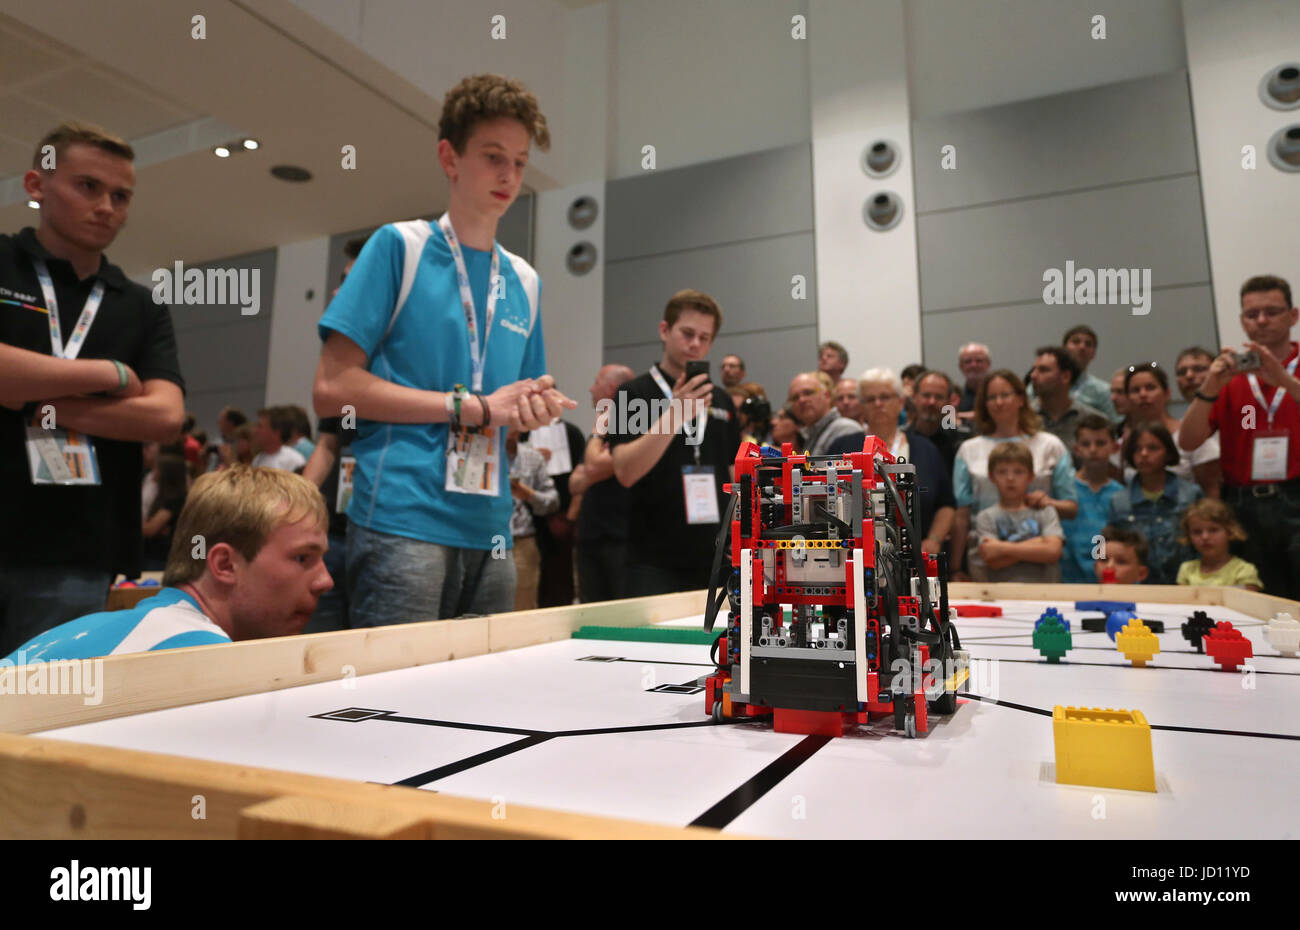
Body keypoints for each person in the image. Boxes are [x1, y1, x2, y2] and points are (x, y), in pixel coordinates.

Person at [313, 74, 574, 624]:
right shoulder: (398, 248)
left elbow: (517, 403)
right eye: (493, 157)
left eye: (520, 162)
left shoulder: (525, 280)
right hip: (401, 518)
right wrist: (471, 407)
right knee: (398, 680)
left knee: (484, 681)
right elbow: (333, 388)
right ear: (449, 157)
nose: (509, 176)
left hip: (492, 527)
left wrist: (536, 404)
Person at [0, 121, 185, 657]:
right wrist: (111, 375)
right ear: (36, 184)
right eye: (88, 186)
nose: (106, 206)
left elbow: (165, 417)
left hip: (77, 552)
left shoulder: (141, 305)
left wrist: (35, 396)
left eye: (120, 196)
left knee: (40, 703)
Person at [3, 467, 332, 663]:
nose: (325, 581)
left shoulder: (148, 629)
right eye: (303, 558)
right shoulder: (196, 651)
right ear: (224, 564)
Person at [608, 289, 741, 596]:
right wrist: (675, 414)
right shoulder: (634, 393)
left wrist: (740, 530)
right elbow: (625, 471)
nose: (695, 344)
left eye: (704, 338)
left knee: (719, 628)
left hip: (715, 554)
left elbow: (734, 474)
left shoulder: (721, 399)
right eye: (687, 333)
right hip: (652, 558)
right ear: (664, 330)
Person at [1179, 274, 1300, 600]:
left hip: (1296, 492)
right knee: (1260, 602)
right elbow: (1187, 442)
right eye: (1252, 314)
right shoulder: (1229, 377)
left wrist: (1285, 382)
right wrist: (1209, 387)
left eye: (1271, 312)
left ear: (1293, 316)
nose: (1261, 320)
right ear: (1242, 321)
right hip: (1245, 504)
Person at [300, 235, 368, 632]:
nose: (337, 292)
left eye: (350, 282)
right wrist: (297, 505)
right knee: (319, 644)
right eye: (340, 281)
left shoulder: (410, 358)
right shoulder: (342, 359)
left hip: (385, 533)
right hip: (332, 533)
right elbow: (327, 444)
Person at [951, 369, 1077, 580]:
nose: (999, 402)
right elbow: (962, 515)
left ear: (1020, 399)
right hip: (988, 558)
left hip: (1039, 561)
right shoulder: (968, 449)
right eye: (992, 397)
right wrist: (955, 568)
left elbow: (1071, 507)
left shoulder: (1050, 445)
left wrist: (1049, 503)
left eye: (1005, 395)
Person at [826, 368, 954, 553]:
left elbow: (946, 503)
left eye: (885, 397)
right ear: (861, 406)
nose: (878, 404)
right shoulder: (842, 446)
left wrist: (934, 539)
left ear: (901, 402)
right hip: (854, 554)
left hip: (916, 554)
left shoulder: (926, 448)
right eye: (870, 399)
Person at [571, 364, 635, 603]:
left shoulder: (635, 426)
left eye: (596, 382)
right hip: (590, 536)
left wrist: (597, 435)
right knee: (589, 609)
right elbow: (574, 484)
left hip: (621, 540)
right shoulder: (603, 428)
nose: (591, 388)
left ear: (611, 388)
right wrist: (595, 466)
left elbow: (591, 468)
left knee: (622, 610)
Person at [1109, 423, 1201, 585]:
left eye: (1153, 448)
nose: (1144, 454)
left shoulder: (1190, 495)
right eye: (1137, 449)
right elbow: (1110, 544)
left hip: (1185, 583)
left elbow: (1201, 544)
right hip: (1138, 586)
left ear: (1168, 453)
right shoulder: (1119, 501)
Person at [967, 442, 1065, 583]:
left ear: (1030, 476)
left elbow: (1053, 552)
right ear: (991, 477)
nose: (1010, 478)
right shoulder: (986, 516)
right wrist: (1039, 542)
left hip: (1046, 591)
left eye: (1018, 472)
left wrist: (1000, 548)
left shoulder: (1045, 510)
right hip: (1001, 591)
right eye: (1002, 472)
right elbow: (991, 558)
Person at [1122, 362, 1219, 497]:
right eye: (1135, 390)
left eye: (1150, 388)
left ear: (1167, 393)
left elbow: (1211, 490)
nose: (1143, 394)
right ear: (1127, 398)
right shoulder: (1124, 439)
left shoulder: (1192, 434)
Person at [1060, 414, 1124, 583]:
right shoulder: (1063, 490)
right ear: (1077, 449)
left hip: (1108, 580)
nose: (1093, 449)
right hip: (1066, 580)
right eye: (1086, 444)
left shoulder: (1121, 494)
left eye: (1101, 443)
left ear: (1114, 447)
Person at [507, 427, 558, 611]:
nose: (510, 429)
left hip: (523, 539)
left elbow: (553, 502)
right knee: (493, 597)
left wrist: (529, 495)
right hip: (495, 540)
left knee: (523, 603)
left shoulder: (532, 458)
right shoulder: (483, 454)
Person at [1028, 345, 1105, 461]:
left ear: (1065, 376)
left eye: (1043, 370)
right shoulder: (1022, 418)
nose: (1033, 376)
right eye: (1033, 370)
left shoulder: (1094, 421)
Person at [1176, 499, 1262, 591]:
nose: (1205, 537)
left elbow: (1247, 599)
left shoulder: (1243, 571)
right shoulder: (1187, 570)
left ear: (1230, 531)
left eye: (1213, 530)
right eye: (1197, 532)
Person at [910, 369, 972, 476]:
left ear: (949, 401)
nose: (932, 402)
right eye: (926, 395)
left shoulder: (962, 442)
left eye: (939, 397)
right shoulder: (901, 439)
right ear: (914, 397)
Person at [788, 371, 861, 455]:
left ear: (827, 395)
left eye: (808, 393)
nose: (801, 400)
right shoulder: (811, 434)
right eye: (795, 397)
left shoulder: (847, 430)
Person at [141, 451, 188, 571]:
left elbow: (150, 529)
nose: (153, 472)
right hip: (151, 553)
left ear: (166, 473)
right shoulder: (160, 494)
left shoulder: (176, 498)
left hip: (161, 558)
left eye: (156, 469)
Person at [1061, 324, 1118, 418]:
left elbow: (1115, 423)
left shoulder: (1103, 391)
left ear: (1093, 354)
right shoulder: (1046, 384)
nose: (1082, 347)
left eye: (1088, 344)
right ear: (1063, 349)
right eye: (1076, 342)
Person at [252, 406, 307, 472]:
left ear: (276, 432)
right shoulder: (258, 459)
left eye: (260, 426)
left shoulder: (295, 461)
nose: (255, 430)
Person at [956, 342, 992, 416]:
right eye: (968, 361)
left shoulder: (999, 395)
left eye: (979, 360)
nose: (973, 365)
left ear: (988, 364)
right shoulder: (955, 398)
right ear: (960, 366)